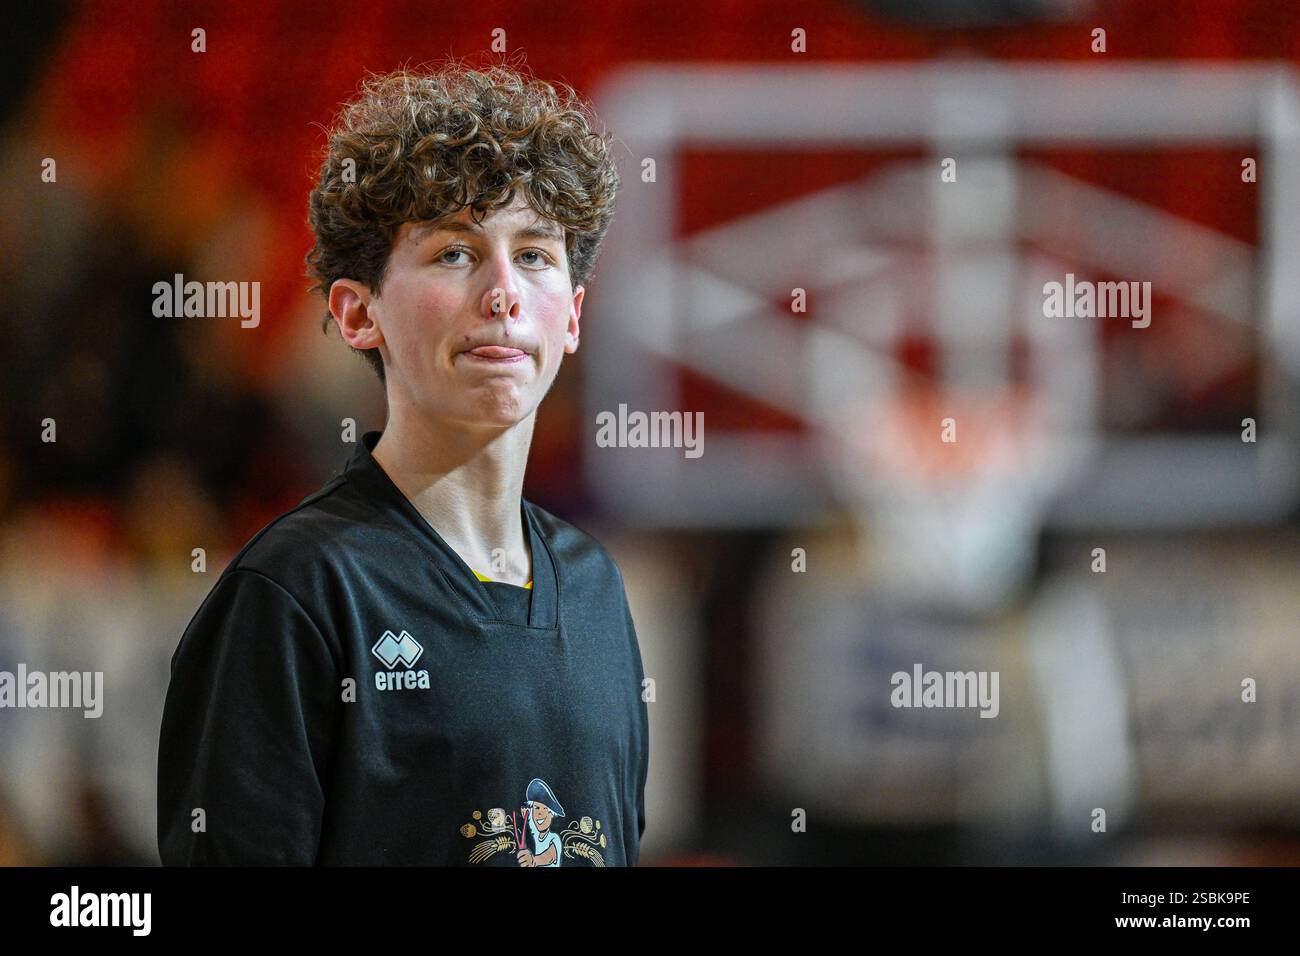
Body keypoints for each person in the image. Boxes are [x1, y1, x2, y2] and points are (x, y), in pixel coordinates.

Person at [157, 59, 649, 866]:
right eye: (455, 254)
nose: (503, 292)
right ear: (358, 313)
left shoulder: (597, 589)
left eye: (534, 254)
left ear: (574, 317)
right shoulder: (296, 593)